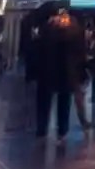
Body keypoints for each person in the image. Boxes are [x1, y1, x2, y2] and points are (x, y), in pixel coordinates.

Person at [36, 9, 86, 140]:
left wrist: (52, 26)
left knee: (48, 101)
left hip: (52, 71)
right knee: (62, 102)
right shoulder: (73, 31)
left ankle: (45, 130)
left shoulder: (51, 30)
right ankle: (60, 131)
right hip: (64, 72)